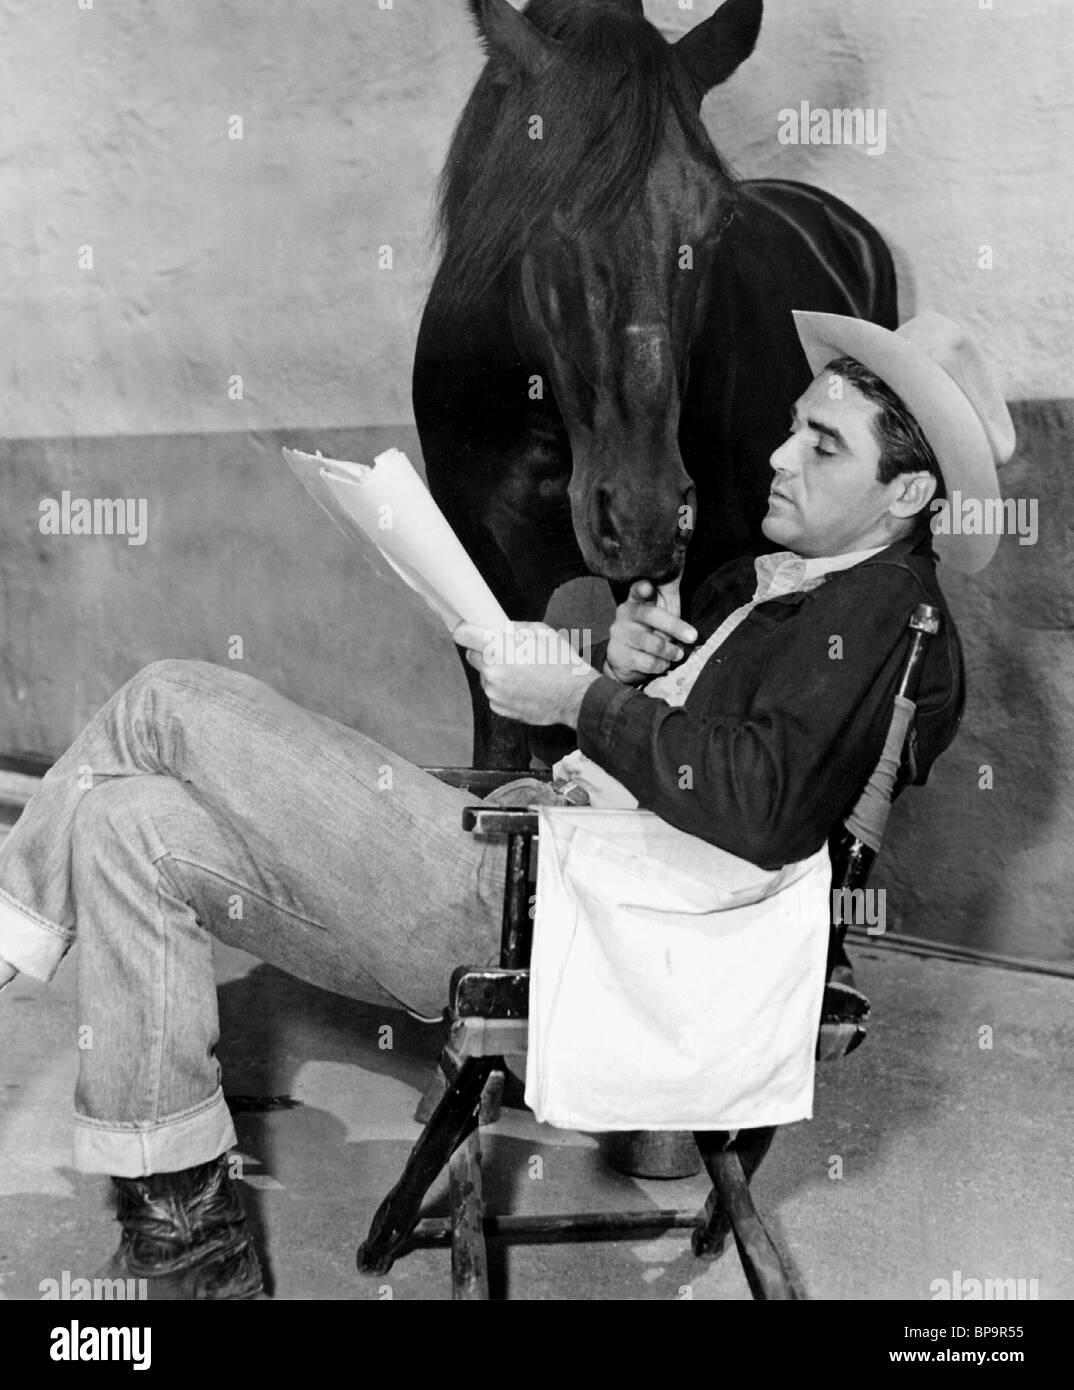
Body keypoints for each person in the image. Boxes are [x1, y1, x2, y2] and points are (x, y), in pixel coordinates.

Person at [0, 310, 1014, 1299]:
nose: (781, 456)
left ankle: (10, 932)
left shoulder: (884, 615)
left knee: (171, 696)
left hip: (551, 911)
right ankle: (190, 1240)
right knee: (122, 822)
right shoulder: (774, 581)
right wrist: (623, 666)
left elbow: (761, 805)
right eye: (797, 426)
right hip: (548, 858)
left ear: (908, 491)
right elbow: (691, 745)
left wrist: (583, 697)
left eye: (823, 445)